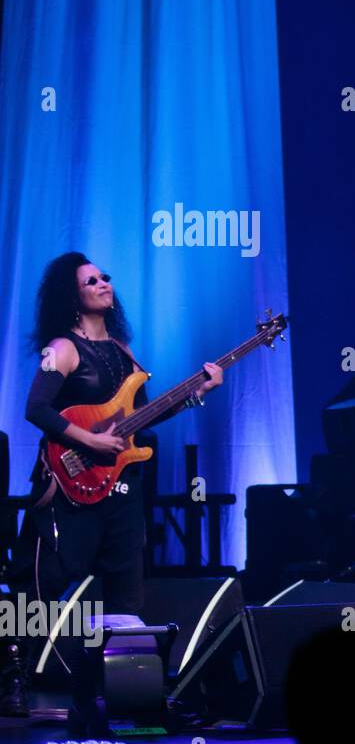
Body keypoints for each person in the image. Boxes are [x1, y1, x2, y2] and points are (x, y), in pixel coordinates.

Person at [0, 253, 223, 717]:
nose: (104, 283)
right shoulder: (62, 348)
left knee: (126, 592)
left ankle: (129, 689)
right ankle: (13, 678)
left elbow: (141, 420)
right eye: (91, 280)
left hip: (121, 491)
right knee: (37, 585)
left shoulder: (124, 353)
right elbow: (36, 409)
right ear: (72, 296)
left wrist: (195, 396)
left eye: (105, 276)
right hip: (69, 484)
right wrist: (89, 441)